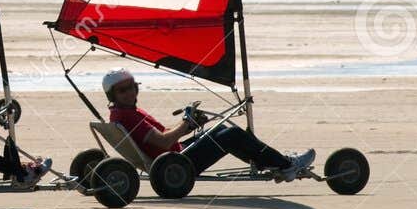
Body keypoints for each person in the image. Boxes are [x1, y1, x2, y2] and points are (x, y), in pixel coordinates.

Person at [101, 69, 315, 181]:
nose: (130, 93)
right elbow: (165, 141)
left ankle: (270, 163)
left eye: (132, 87)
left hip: (175, 154)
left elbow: (164, 134)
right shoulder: (128, 117)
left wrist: (190, 125)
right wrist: (186, 123)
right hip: (176, 164)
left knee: (221, 129)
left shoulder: (123, 112)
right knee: (230, 134)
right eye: (123, 90)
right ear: (112, 94)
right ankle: (287, 165)